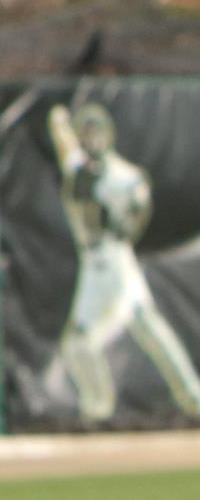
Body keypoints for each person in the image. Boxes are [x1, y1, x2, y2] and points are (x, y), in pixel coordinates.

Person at [50, 102, 200, 422]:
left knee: (139, 327)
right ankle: (98, 406)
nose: (91, 139)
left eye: (96, 132)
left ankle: (190, 397)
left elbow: (134, 222)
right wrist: (60, 122)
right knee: (82, 341)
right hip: (91, 263)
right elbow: (64, 143)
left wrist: (118, 218)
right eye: (86, 133)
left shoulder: (123, 176)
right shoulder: (79, 167)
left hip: (115, 259)